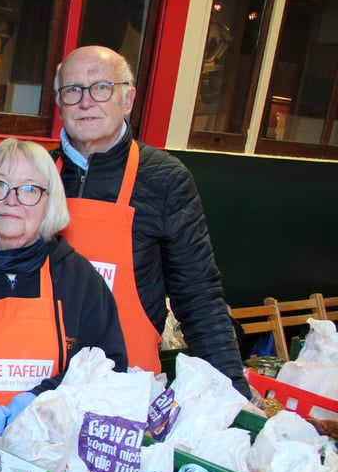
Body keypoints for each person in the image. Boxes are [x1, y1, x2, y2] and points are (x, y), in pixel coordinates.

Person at [52, 45, 250, 397]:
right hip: (45, 383)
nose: (86, 102)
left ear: (127, 100)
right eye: (72, 90)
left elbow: (198, 293)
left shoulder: (165, 178)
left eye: (101, 88)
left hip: (127, 385)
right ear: (60, 103)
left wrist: (232, 392)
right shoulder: (36, 175)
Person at [0, 138, 126, 433]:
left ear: (49, 202)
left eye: (29, 189)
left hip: (50, 459)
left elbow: (108, 368)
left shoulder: (78, 279)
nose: (11, 199)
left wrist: (44, 399)